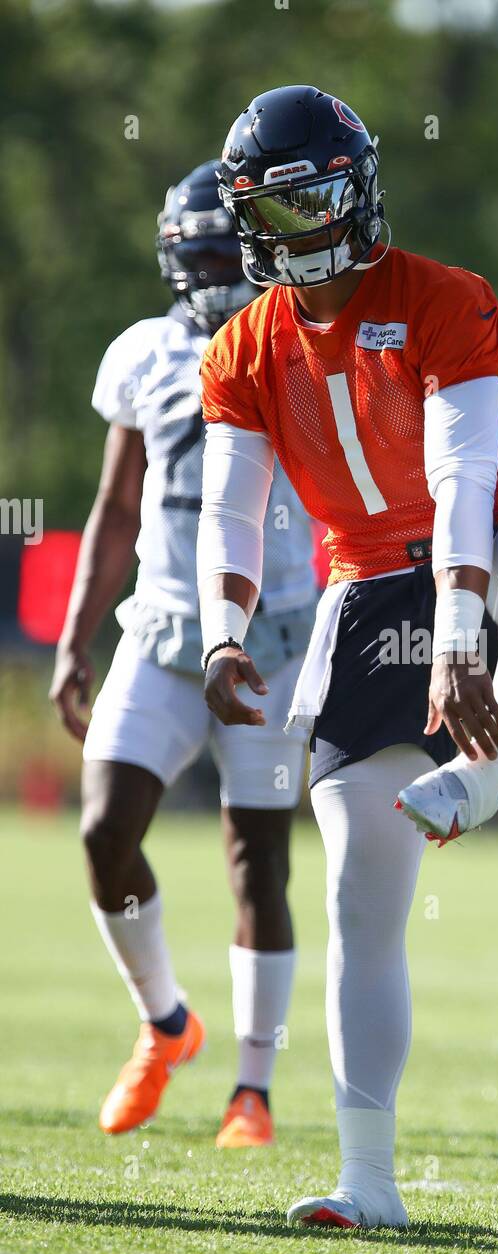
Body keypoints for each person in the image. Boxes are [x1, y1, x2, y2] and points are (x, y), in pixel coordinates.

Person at [196, 88, 498, 1222]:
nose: (302, 232)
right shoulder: (241, 346)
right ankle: (368, 1183)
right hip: (358, 599)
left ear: (359, 189)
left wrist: (457, 637)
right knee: (357, 899)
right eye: (276, 213)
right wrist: (221, 634)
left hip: (478, 563)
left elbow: (461, 475)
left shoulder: (443, 297)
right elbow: (233, 514)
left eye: (316, 203)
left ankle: (489, 766)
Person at [50, 161, 316, 1149]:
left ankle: (252, 1089)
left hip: (272, 637)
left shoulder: (294, 344)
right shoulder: (142, 354)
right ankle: (165, 1022)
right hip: (160, 629)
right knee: (101, 831)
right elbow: (117, 506)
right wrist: (75, 639)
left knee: (259, 864)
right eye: (194, 250)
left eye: (222, 249)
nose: (208, 268)